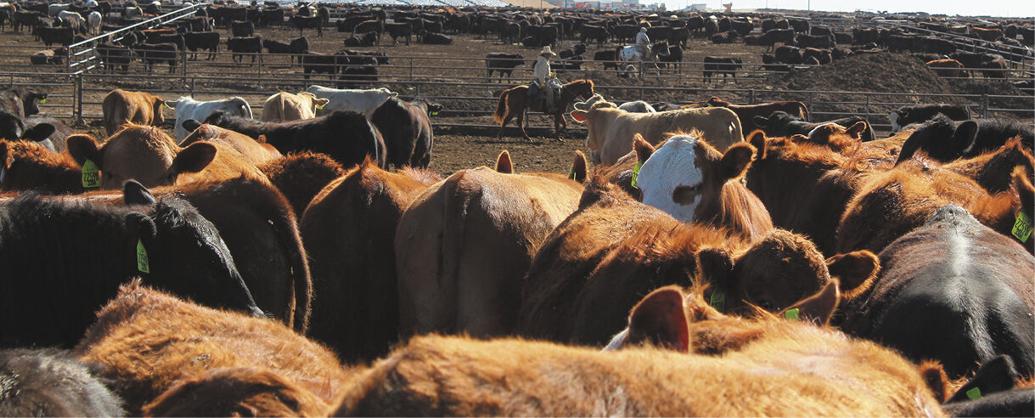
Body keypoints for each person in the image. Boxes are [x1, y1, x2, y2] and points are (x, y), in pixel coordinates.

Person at [531, 46, 560, 112]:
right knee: (550, 91)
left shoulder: (544, 61)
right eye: (549, 54)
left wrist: (551, 74)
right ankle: (550, 107)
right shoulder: (543, 62)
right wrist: (542, 84)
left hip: (542, 79)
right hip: (540, 81)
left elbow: (544, 73)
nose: (550, 56)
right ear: (546, 54)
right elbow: (541, 75)